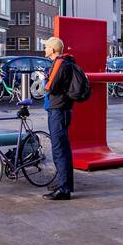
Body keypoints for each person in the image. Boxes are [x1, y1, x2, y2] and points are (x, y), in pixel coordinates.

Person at [41, 36, 77, 200]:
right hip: (60, 109)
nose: (45, 49)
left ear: (53, 50)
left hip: (58, 110)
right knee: (62, 148)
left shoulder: (60, 63)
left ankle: (64, 189)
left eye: (47, 47)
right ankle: (64, 183)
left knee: (59, 149)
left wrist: (44, 80)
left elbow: (51, 87)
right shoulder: (62, 62)